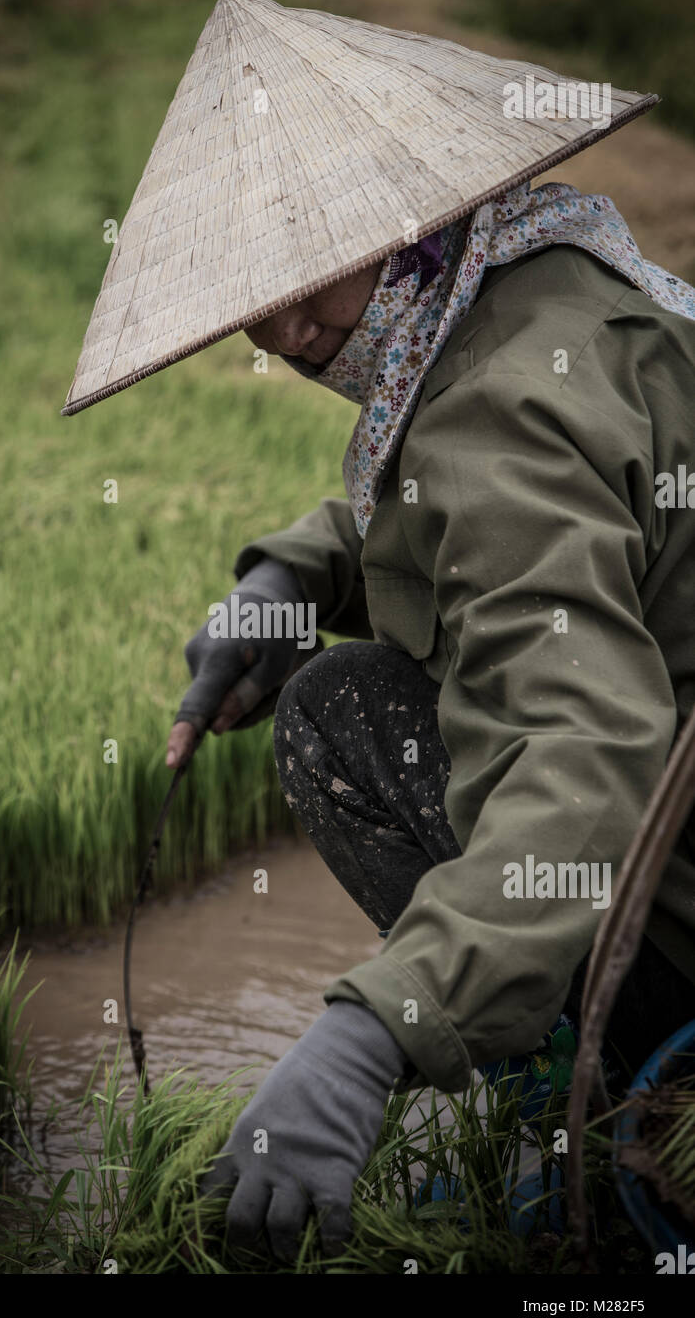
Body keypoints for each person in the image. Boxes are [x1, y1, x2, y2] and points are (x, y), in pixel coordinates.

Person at [165, 180, 695, 1262]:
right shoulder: (554, 278)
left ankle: (588, 1070)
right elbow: (521, 508)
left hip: (667, 868)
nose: (286, 330)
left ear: (402, 220)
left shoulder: (496, 404)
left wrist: (378, 1025)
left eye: (309, 274)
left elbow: (586, 754)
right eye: (251, 303)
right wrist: (290, 578)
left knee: (334, 711)